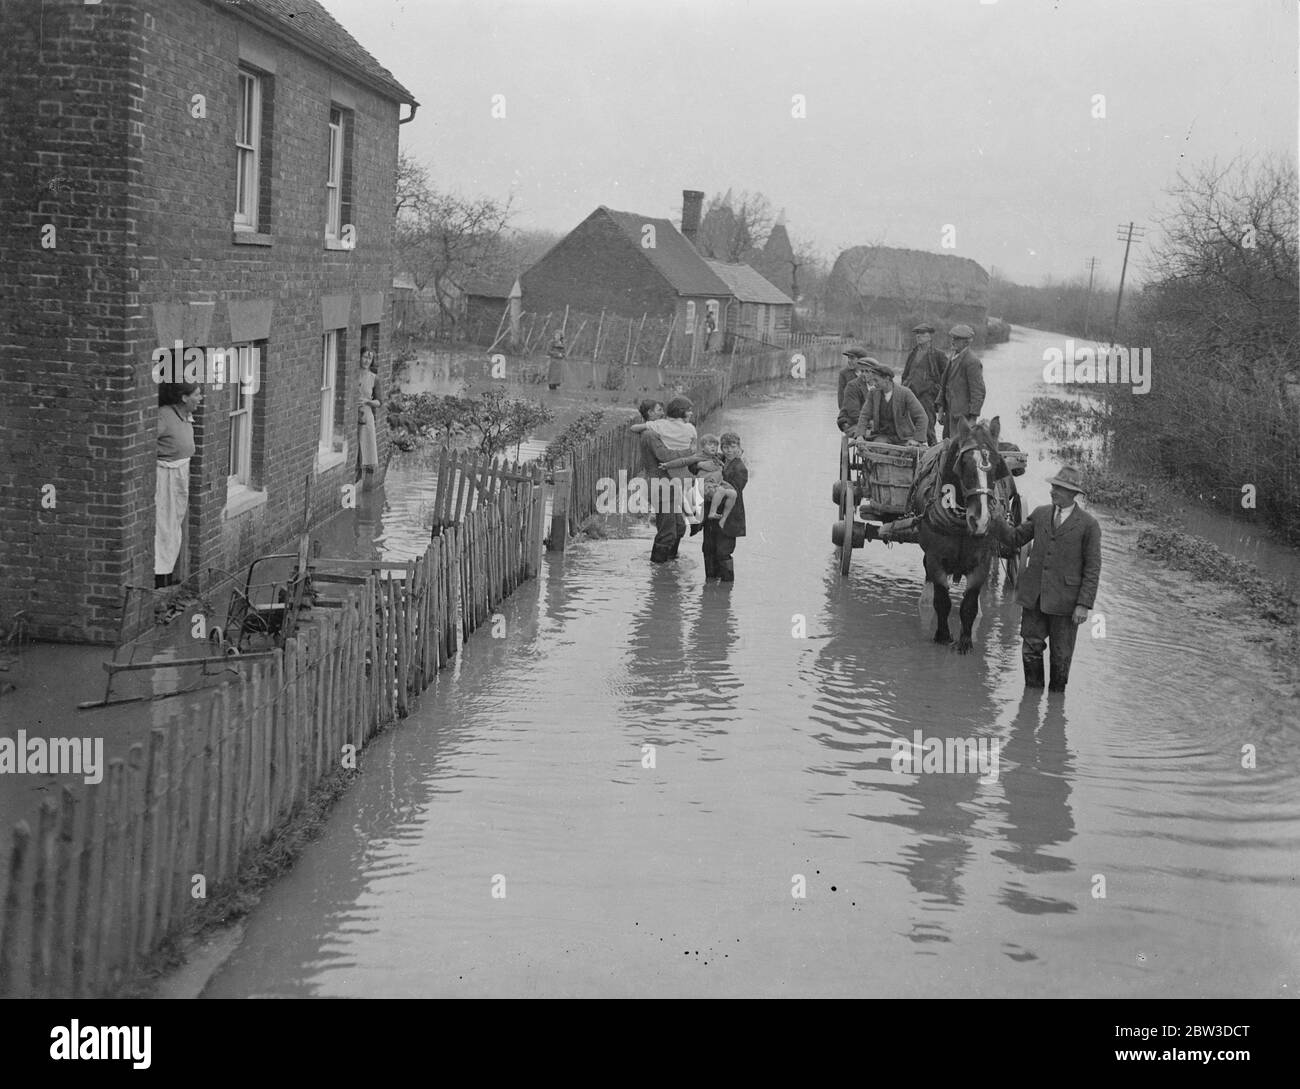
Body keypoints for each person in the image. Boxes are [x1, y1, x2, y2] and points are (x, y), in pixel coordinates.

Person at [992, 465, 1101, 693]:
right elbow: (1014, 539)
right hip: (1034, 597)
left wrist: (1083, 604)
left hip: (1066, 603)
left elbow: (1093, 568)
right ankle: (1031, 700)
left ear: (1072, 494)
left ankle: (1055, 703)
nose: (1052, 491)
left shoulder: (1089, 525)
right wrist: (996, 520)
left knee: (1061, 656)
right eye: (1053, 486)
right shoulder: (1041, 514)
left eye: (1058, 489)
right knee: (1030, 648)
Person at [155, 381, 202, 589]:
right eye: (197, 395)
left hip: (179, 477)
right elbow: (145, 443)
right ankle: (159, 580)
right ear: (184, 397)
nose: (200, 399)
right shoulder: (164, 415)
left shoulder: (186, 416)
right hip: (165, 478)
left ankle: (170, 575)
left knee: (174, 527)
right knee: (163, 527)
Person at [638, 396, 695, 563]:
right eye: (659, 410)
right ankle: (658, 571)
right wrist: (689, 452)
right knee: (667, 532)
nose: (663, 414)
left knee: (679, 527)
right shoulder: (649, 434)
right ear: (649, 413)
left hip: (669, 483)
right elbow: (665, 456)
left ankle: (670, 562)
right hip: (659, 485)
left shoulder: (659, 432)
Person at [665, 434, 739, 530]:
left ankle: (723, 519)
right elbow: (684, 461)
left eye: (715, 445)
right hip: (706, 485)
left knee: (733, 494)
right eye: (709, 445)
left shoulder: (718, 457)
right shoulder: (699, 457)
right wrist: (667, 465)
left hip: (718, 483)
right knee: (720, 491)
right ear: (703, 448)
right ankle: (712, 513)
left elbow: (730, 455)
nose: (713, 447)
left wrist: (738, 454)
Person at [702, 433, 747, 584]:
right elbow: (696, 460)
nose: (729, 450)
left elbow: (734, 490)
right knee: (708, 548)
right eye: (725, 447)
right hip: (712, 513)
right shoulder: (719, 460)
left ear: (739, 448)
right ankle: (710, 582)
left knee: (723, 551)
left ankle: (726, 586)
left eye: (733, 447)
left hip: (729, 516)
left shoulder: (740, 468)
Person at [852, 362, 929, 446]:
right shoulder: (873, 394)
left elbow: (922, 417)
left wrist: (917, 439)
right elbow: (865, 415)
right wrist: (860, 435)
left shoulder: (905, 393)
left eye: (876, 380)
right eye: (873, 380)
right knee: (877, 449)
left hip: (903, 437)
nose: (874, 384)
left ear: (887, 379)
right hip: (882, 436)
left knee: (901, 455)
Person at [935, 324, 985, 439]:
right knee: (946, 445)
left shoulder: (972, 361)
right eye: (953, 338)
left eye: (957, 339)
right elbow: (944, 385)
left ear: (966, 342)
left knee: (959, 448)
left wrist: (973, 418)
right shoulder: (953, 356)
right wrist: (941, 408)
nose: (953, 341)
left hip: (963, 417)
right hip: (949, 414)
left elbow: (978, 392)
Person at [901, 323, 946, 445]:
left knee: (928, 426)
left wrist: (935, 390)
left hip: (927, 397)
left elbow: (946, 378)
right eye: (917, 334)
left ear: (929, 337)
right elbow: (905, 374)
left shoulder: (938, 355)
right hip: (911, 395)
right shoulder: (913, 353)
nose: (919, 337)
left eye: (922, 334)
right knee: (908, 426)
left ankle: (933, 452)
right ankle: (912, 453)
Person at [837, 354, 881, 432]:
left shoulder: (880, 386)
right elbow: (854, 413)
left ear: (876, 373)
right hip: (851, 422)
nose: (864, 374)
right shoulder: (852, 386)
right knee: (869, 435)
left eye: (867, 371)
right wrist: (872, 423)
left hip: (872, 423)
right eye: (862, 371)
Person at [357, 348, 383, 475]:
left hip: (366, 415)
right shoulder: (353, 374)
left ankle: (361, 475)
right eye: (364, 357)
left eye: (369, 358)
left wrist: (367, 402)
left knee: (366, 447)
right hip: (354, 414)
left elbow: (379, 402)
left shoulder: (374, 378)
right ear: (360, 357)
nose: (366, 360)